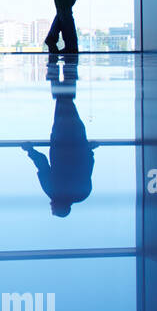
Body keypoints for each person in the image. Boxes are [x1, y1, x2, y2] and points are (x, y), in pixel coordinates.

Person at [21, 56, 99, 217]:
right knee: (63, 102)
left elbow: (88, 164)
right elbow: (42, 163)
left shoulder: (82, 194)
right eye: (53, 208)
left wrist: (89, 149)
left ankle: (66, 68)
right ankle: (54, 69)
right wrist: (29, 150)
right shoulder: (52, 190)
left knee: (67, 103)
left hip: (77, 140)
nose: (50, 205)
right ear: (58, 206)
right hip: (60, 139)